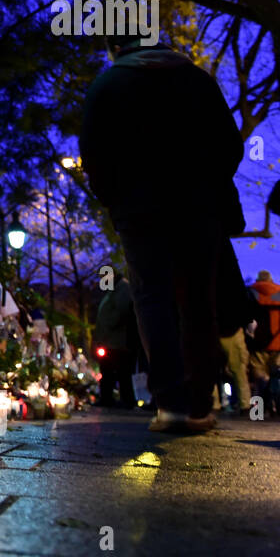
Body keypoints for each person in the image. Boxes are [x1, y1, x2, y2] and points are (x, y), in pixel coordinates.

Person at [80, 39, 244, 433]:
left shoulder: (108, 84)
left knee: (150, 297)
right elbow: (231, 145)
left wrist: (113, 198)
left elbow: (93, 151)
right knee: (198, 301)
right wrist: (210, 184)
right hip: (197, 207)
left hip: (138, 210)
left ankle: (170, 402)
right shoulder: (197, 81)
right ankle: (200, 403)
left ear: (118, 46)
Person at [214, 243, 257, 416]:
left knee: (209, 368)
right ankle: (246, 405)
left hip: (211, 326)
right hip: (232, 328)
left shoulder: (205, 274)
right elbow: (242, 300)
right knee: (239, 369)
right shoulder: (233, 276)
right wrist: (247, 322)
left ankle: (213, 403)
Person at [93, 276, 141, 407]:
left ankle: (126, 399)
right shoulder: (114, 290)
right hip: (110, 340)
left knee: (122, 371)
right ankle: (108, 398)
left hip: (118, 340)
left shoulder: (122, 289)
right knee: (109, 371)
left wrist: (109, 324)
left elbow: (122, 311)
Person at [250, 270, 280, 388]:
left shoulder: (250, 294)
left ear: (257, 281)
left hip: (257, 345)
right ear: (271, 280)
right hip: (277, 345)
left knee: (259, 380)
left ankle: (260, 405)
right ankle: (276, 403)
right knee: (278, 379)